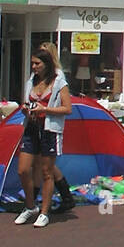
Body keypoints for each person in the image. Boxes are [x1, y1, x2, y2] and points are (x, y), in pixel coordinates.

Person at [14, 46, 73, 227]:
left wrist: (45, 109)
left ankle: (45, 211)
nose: (34, 67)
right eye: (32, 63)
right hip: (31, 128)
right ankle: (30, 206)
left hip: (49, 129)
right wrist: (26, 109)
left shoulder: (58, 82)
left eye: (37, 63)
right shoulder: (31, 82)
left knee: (47, 171)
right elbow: (26, 101)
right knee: (23, 169)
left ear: (46, 64)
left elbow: (67, 108)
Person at [38, 42, 76, 214]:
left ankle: (65, 195)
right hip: (37, 124)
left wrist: (46, 109)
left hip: (50, 124)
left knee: (47, 164)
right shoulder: (37, 77)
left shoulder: (57, 76)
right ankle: (62, 195)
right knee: (42, 163)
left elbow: (66, 105)